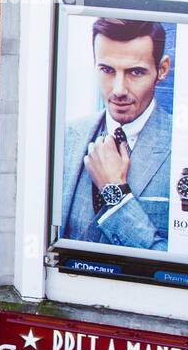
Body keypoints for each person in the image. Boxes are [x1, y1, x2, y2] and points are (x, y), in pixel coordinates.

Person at [60, 17, 173, 250]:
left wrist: (116, 194)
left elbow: (186, 269)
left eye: (135, 72)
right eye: (107, 70)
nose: (119, 90)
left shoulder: (185, 148)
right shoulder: (66, 137)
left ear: (162, 69)